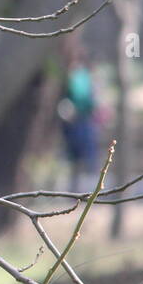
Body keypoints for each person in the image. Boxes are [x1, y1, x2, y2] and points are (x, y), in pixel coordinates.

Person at [58, 45, 99, 191]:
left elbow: (89, 100)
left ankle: (85, 188)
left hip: (83, 121)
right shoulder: (71, 76)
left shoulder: (82, 76)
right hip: (72, 123)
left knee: (84, 157)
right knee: (75, 158)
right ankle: (75, 189)